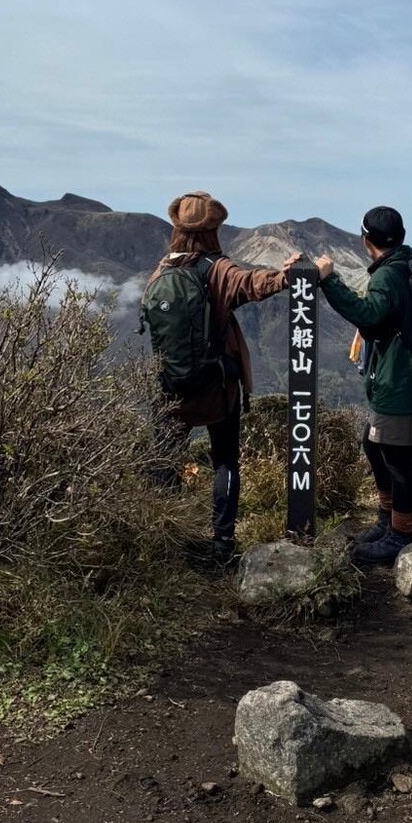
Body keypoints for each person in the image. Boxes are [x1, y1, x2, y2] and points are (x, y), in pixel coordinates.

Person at [145, 190, 299, 565]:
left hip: (171, 385)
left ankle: (165, 538)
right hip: (217, 384)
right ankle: (222, 544)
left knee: (163, 458)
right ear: (213, 229)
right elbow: (252, 284)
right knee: (225, 460)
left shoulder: (162, 270)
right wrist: (287, 276)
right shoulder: (216, 269)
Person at [315, 206, 412, 565]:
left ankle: (399, 534)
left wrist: (329, 280)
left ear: (366, 240)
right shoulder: (403, 265)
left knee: (397, 460)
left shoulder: (387, 276)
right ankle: (387, 519)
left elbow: (368, 314)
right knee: (373, 443)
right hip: (398, 378)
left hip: (398, 381)